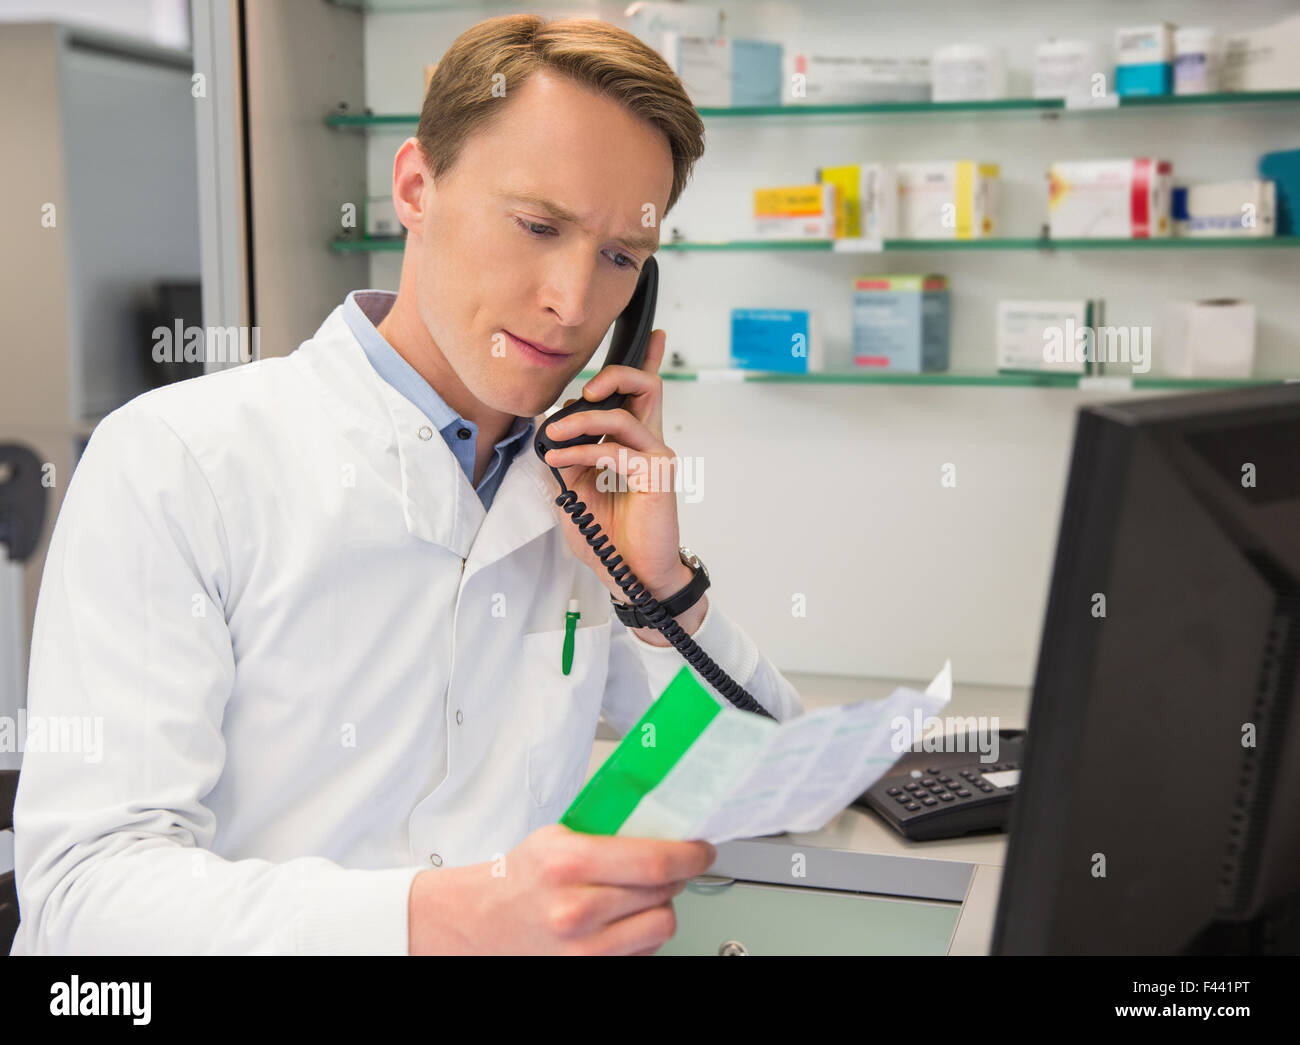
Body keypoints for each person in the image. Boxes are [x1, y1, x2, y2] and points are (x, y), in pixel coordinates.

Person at [10, 14, 803, 956]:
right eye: (539, 226)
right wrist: (436, 919)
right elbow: (85, 901)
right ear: (417, 187)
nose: (574, 301)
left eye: (621, 256)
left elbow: (764, 785)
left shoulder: (580, 506)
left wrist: (662, 590)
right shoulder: (178, 460)